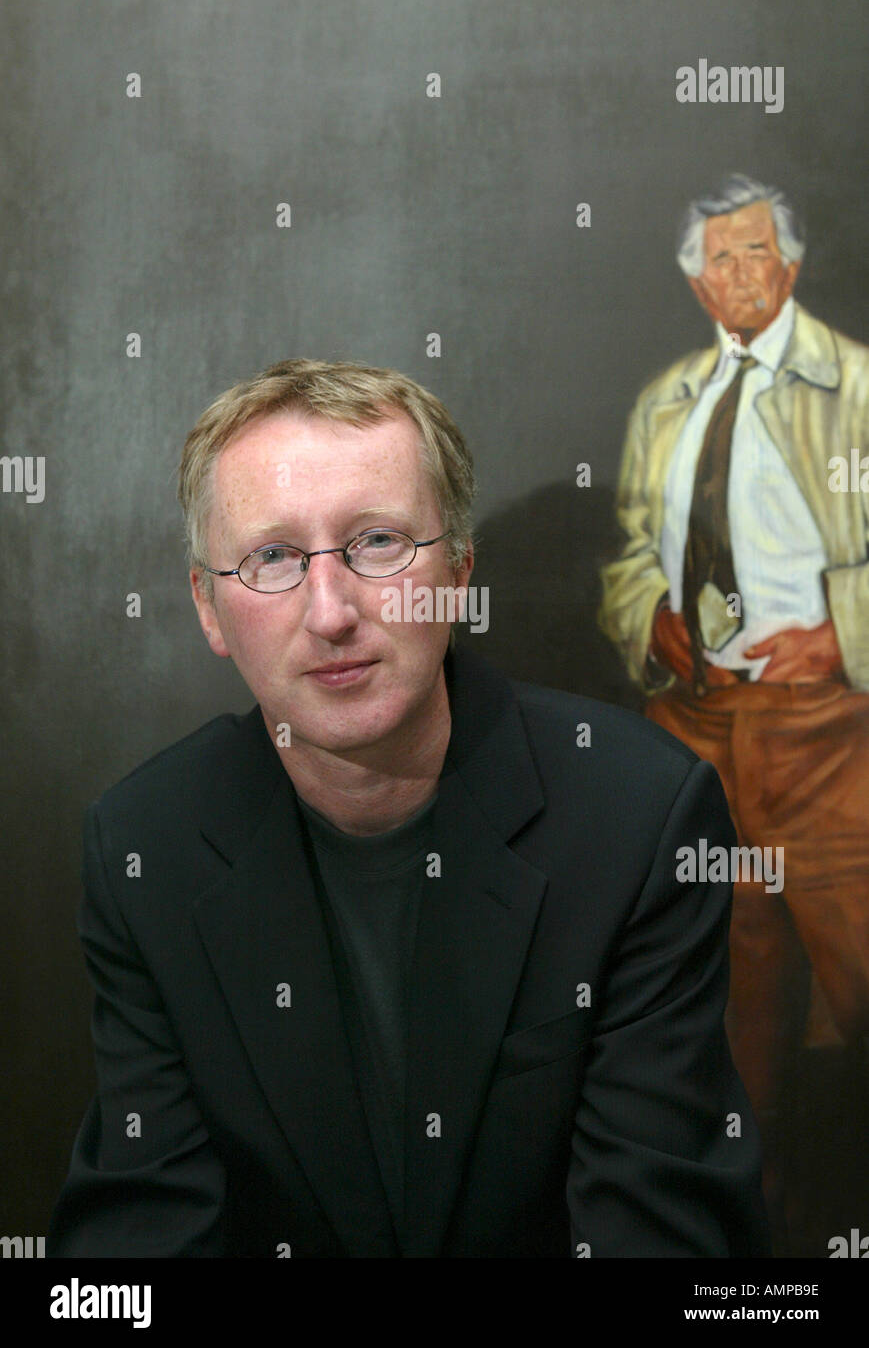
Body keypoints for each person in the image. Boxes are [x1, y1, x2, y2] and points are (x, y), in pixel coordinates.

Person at [48, 359, 767, 1257]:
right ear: (209, 606)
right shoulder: (144, 844)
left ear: (459, 569)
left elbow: (665, 1246)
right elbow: (135, 1257)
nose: (331, 611)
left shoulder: (638, 815)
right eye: (272, 556)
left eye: (377, 543)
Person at [599, 172, 869, 1247]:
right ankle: (746, 1256)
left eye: (755, 252)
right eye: (717, 257)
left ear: (790, 268)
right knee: (722, 1015)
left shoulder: (851, 386)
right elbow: (626, 553)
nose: (736, 273)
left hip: (825, 736)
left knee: (855, 987)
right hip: (694, 737)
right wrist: (647, 623)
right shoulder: (667, 399)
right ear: (692, 280)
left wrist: (841, 638)